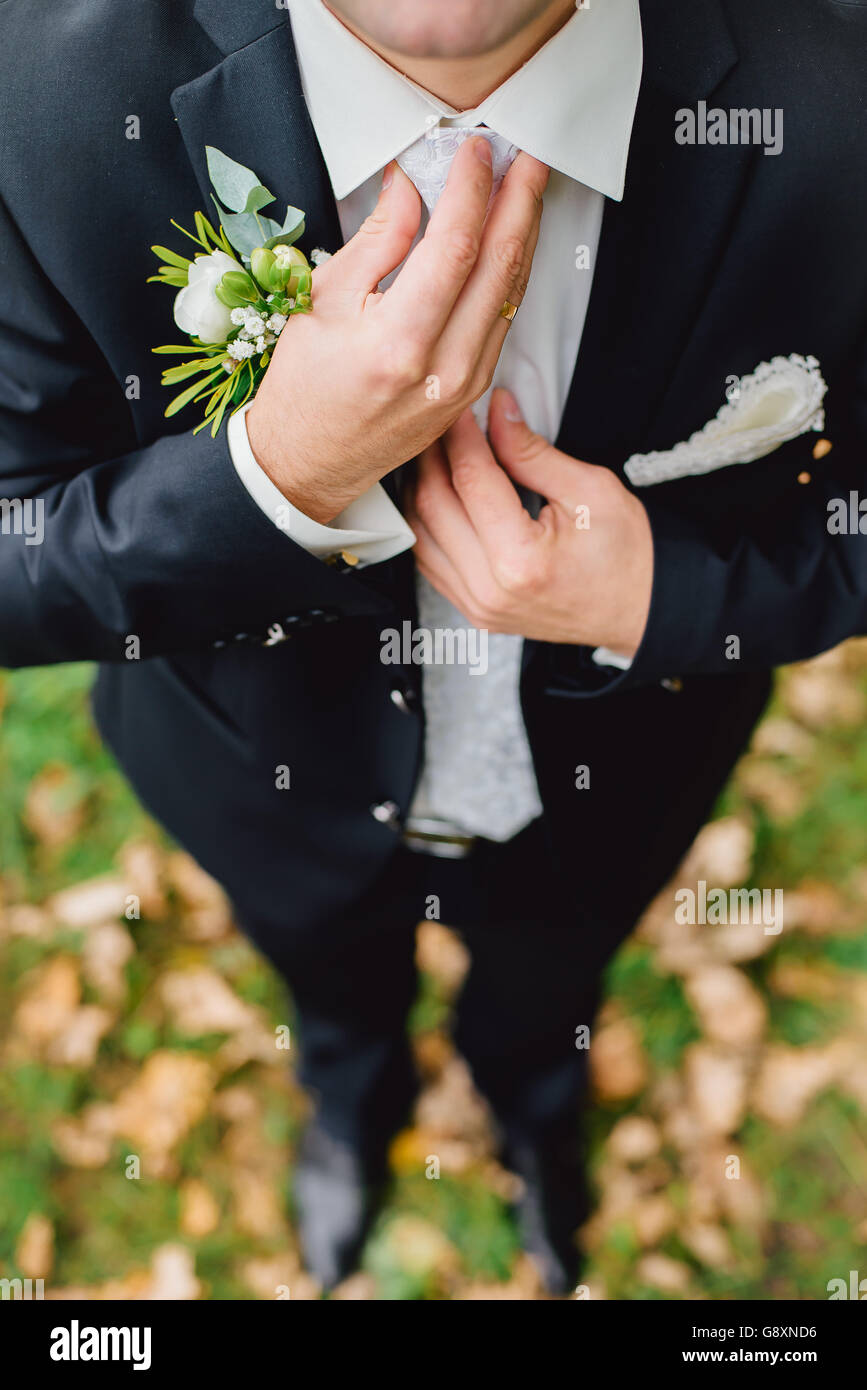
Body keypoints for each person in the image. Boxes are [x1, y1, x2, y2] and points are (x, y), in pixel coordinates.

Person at [0, 0, 864, 1293]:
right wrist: (267, 481)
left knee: (548, 988)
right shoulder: (39, 84)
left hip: (619, 778)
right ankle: (351, 1093)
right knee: (330, 986)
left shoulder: (841, 76)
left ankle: (534, 1095)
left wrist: (665, 594)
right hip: (260, 783)